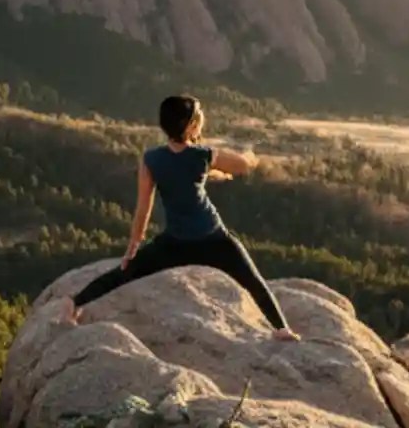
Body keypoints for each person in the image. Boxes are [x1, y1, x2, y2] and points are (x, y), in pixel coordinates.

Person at [60, 95, 300, 341]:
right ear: (192, 126)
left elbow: (144, 207)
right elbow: (242, 166)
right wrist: (251, 156)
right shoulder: (203, 155)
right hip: (213, 239)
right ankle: (281, 328)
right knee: (252, 280)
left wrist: (133, 246)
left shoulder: (152, 159)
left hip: (175, 243)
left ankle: (74, 303)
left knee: (125, 273)